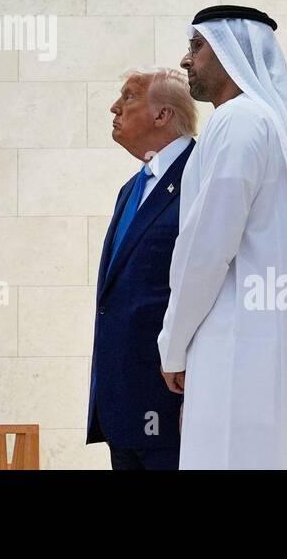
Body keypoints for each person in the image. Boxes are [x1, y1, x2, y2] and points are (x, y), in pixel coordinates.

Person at [157, 5, 287, 469]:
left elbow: (205, 248)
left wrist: (174, 342)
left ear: (231, 51)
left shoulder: (238, 120)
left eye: (197, 47)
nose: (186, 61)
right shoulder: (275, 124)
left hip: (235, 341)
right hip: (275, 338)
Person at [87, 68, 197, 470]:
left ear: (163, 115)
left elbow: (208, 283)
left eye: (129, 98)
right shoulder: (132, 188)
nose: (114, 108)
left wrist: (195, 396)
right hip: (123, 405)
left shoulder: (201, 174)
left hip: (172, 402)